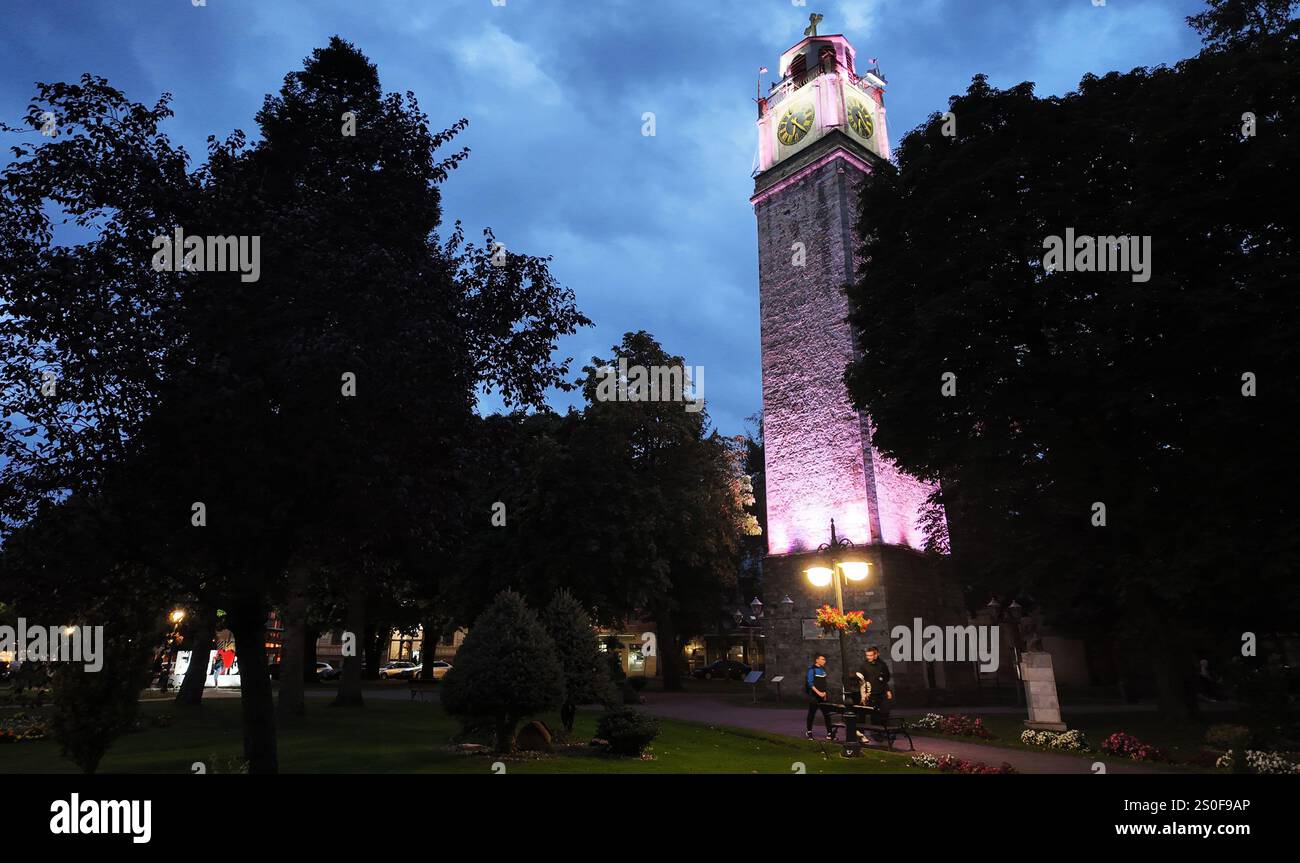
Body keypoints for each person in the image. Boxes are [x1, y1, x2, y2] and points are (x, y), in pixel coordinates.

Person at [858, 646, 893, 742]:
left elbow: (885, 678)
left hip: (881, 692)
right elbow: (861, 680)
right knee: (870, 714)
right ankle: (869, 733)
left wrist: (888, 690)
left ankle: (882, 731)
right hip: (870, 694)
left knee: (884, 712)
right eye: (867, 655)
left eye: (870, 655)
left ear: (876, 655)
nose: (868, 657)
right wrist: (864, 694)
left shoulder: (882, 665)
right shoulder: (863, 666)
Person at [805, 653, 835, 740]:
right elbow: (810, 684)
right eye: (822, 659)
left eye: (824, 659)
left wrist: (824, 694)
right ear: (817, 660)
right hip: (814, 697)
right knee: (812, 714)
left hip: (823, 696)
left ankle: (830, 733)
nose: (824, 661)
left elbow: (823, 683)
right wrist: (819, 693)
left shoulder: (823, 670)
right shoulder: (811, 670)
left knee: (827, 714)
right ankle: (809, 732)